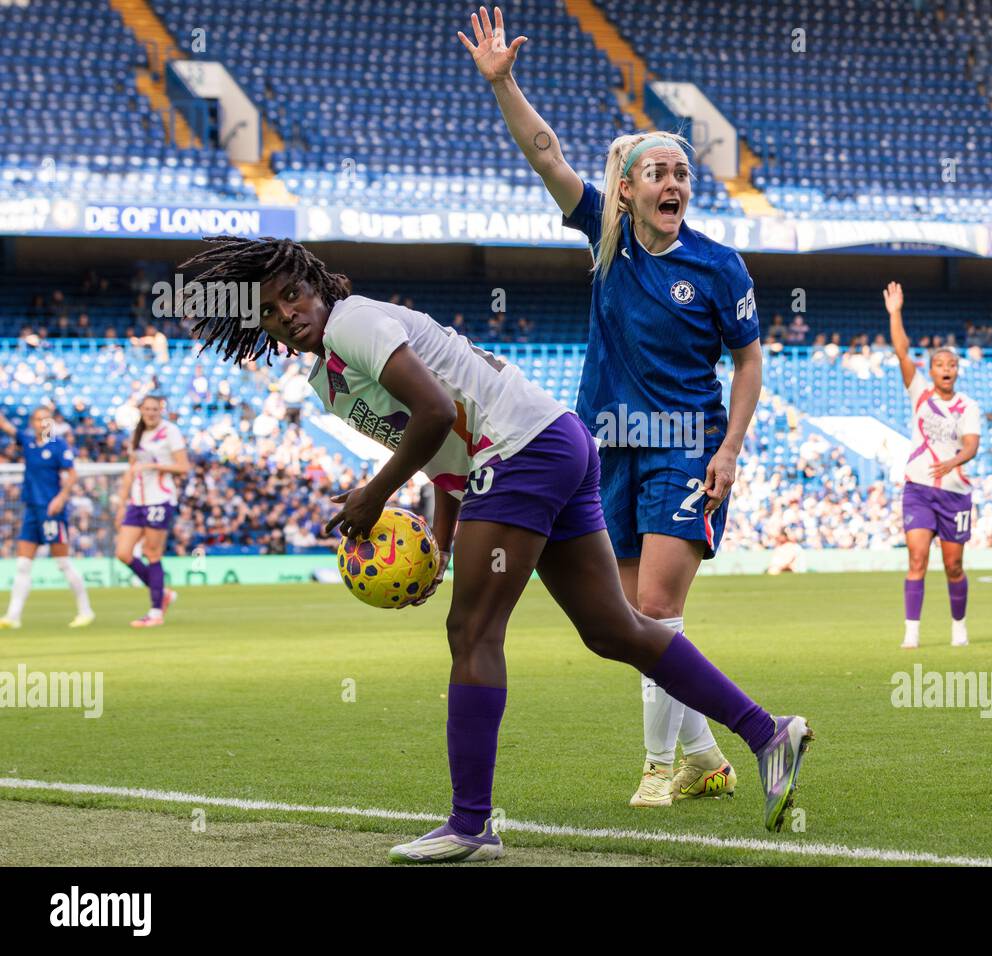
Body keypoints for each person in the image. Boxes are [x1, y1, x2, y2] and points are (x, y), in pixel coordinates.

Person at [175, 233, 811, 863]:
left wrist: (372, 495)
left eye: (292, 294)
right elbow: (447, 451)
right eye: (268, 311)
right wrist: (443, 547)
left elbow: (429, 414)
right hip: (547, 444)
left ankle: (471, 824)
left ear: (316, 285)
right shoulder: (330, 379)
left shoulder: (353, 323)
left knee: (472, 632)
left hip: (520, 451)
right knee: (613, 628)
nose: (288, 314)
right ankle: (767, 733)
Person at [466, 5, 764, 808]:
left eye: (683, 175)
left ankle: (657, 768)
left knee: (658, 608)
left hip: (683, 449)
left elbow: (747, 361)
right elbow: (547, 155)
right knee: (635, 621)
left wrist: (729, 448)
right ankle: (703, 754)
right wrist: (505, 86)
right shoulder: (608, 242)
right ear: (627, 189)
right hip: (607, 450)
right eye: (658, 174)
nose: (674, 184)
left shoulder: (720, 266)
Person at [884, 282, 981, 648]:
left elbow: (971, 445)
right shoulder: (919, 392)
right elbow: (900, 351)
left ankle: (959, 625)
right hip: (919, 489)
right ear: (933, 369)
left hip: (955, 493)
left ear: (957, 371)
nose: (945, 369)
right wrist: (895, 313)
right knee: (917, 557)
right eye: (940, 364)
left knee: (953, 565)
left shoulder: (968, 407)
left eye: (951, 364)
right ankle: (912, 632)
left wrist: (953, 462)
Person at [0, 408, 94, 628]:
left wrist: (61, 498)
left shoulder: (58, 446)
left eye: (46, 419)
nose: (42, 423)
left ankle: (85, 611)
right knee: (23, 564)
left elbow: (72, 474)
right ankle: (13, 617)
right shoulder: (28, 442)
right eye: (38, 419)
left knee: (62, 562)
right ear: (32, 422)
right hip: (32, 510)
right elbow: (5, 424)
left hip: (51, 511)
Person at [114, 396, 188, 627]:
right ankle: (162, 592)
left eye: (155, 409)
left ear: (160, 410)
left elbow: (183, 467)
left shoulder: (170, 431)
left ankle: (156, 612)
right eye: (147, 409)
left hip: (159, 498)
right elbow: (131, 470)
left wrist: (155, 466)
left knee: (151, 552)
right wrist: (121, 504)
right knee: (123, 553)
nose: (151, 413)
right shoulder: (136, 434)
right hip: (137, 500)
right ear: (141, 411)